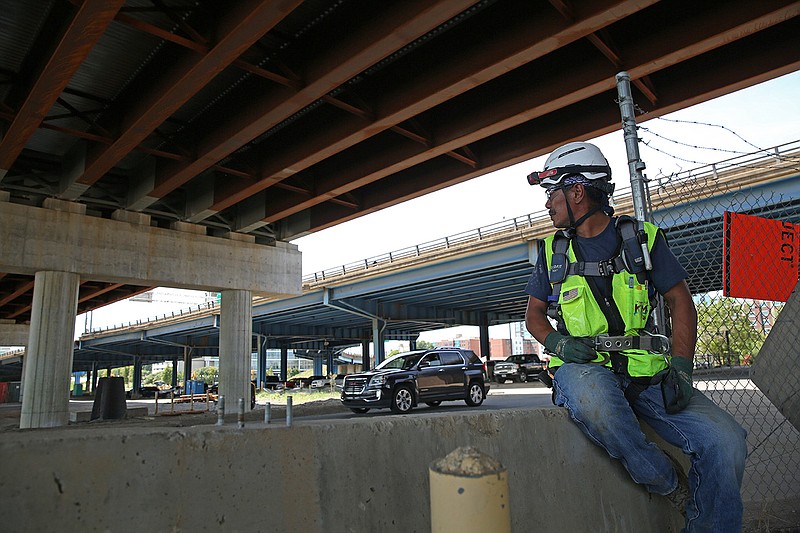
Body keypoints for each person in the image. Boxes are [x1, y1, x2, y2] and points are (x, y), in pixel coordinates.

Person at [523, 141, 747, 532]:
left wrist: (681, 366)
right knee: (598, 406)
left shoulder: (642, 239)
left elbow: (680, 300)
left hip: (647, 370)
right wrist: (557, 344)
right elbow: (534, 315)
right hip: (583, 366)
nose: (547, 205)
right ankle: (665, 480)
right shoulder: (548, 252)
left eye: (550, 193)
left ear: (577, 191)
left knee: (726, 441)